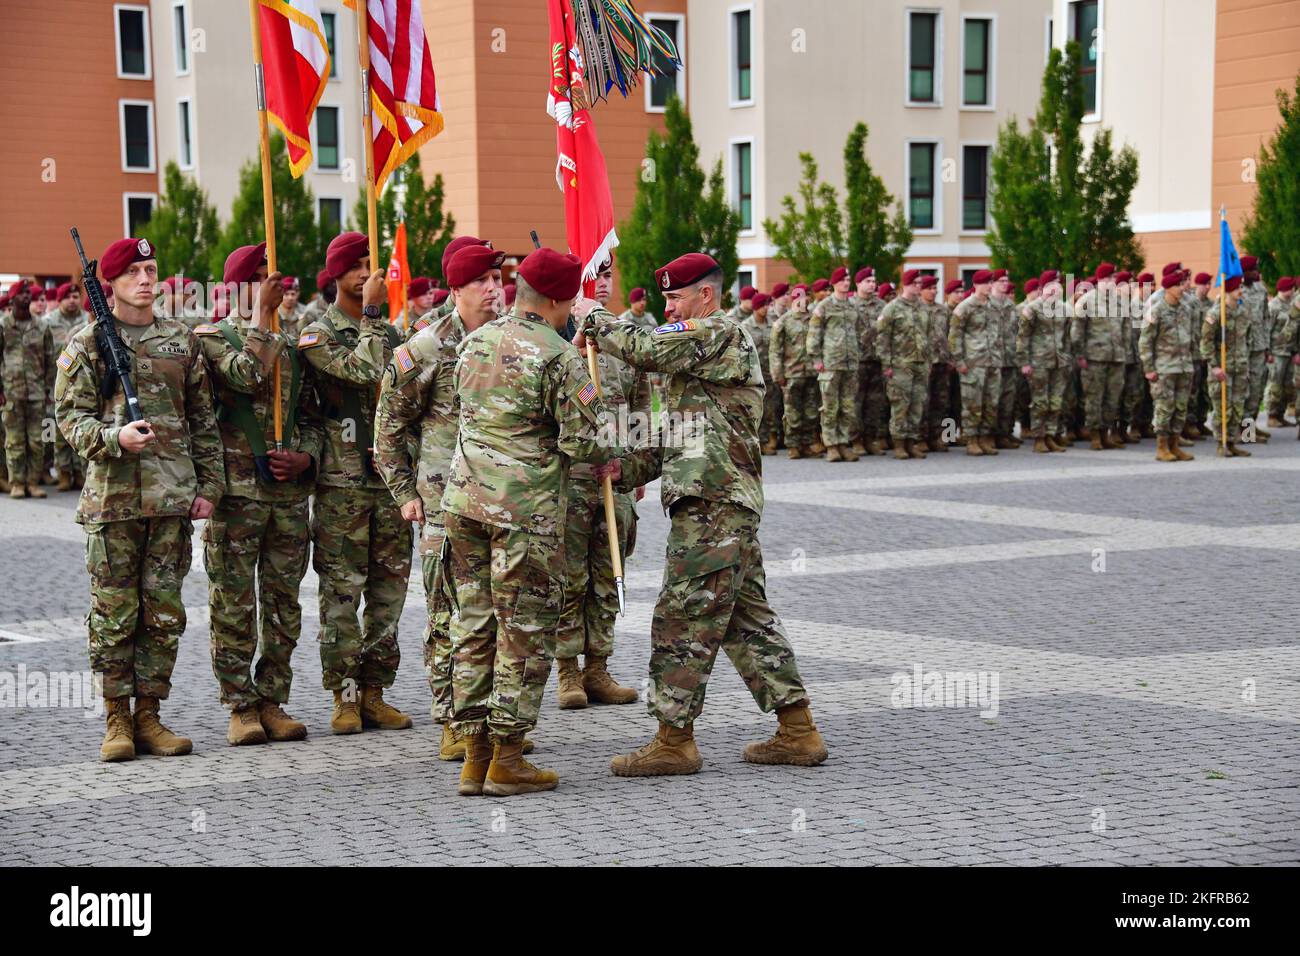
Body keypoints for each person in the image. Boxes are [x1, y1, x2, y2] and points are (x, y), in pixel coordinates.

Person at [578, 252, 827, 777]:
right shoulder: (695, 358)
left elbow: (642, 347)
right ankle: (798, 730)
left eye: (676, 297)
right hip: (716, 501)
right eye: (666, 298)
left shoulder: (719, 335)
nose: (669, 308)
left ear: (706, 297)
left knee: (682, 620)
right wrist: (624, 468)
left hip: (715, 507)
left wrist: (594, 318)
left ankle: (674, 741)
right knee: (746, 619)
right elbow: (679, 439)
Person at [441, 247, 616, 797]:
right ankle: (509, 757)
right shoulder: (558, 356)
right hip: (525, 512)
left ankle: (473, 754)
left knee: (472, 624)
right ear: (561, 301)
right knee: (523, 631)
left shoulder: (474, 342)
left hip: (464, 503)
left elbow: (463, 408)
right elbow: (582, 441)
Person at [54, 237, 224, 761]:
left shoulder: (180, 341)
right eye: (134, 272)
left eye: (151, 270)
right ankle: (117, 721)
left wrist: (210, 487)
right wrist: (114, 438)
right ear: (113, 283)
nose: (146, 280)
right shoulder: (86, 345)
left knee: (164, 613)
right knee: (114, 614)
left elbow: (203, 419)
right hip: (115, 502)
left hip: (172, 500)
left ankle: (150, 715)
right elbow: (68, 417)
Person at [375, 241, 513, 761]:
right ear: (456, 290)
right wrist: (405, 493)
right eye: (482, 281)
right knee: (446, 612)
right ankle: (452, 720)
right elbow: (387, 427)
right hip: (445, 501)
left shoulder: (508, 340)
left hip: (501, 501)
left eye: (498, 280)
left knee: (496, 613)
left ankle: (493, 719)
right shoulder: (428, 346)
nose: (494, 290)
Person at [197, 243, 323, 745]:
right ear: (240, 287)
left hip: (286, 494)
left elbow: (313, 416)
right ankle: (240, 705)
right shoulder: (211, 339)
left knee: (284, 603)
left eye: (277, 282)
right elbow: (245, 377)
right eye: (263, 281)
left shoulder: (292, 345)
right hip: (235, 495)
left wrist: (306, 457)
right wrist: (262, 318)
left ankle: (273, 698)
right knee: (232, 602)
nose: (278, 288)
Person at [298, 232, 413, 734]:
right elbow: (364, 371)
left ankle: (374, 692)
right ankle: (344, 695)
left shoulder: (392, 334)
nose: (368, 273)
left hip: (388, 481)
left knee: (389, 593)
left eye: (371, 264)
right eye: (357, 265)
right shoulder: (315, 334)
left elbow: (405, 392)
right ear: (336, 274)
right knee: (342, 595)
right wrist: (371, 315)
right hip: (342, 484)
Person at [1, 282, 55, 497]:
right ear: (12, 299)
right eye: (21, 294)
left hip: (37, 393)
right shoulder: (3, 326)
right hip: (10, 392)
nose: (26, 296)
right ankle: (16, 483)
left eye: (27, 294)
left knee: (36, 440)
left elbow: (51, 360)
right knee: (14, 440)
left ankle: (33, 482)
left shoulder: (42, 327)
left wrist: (50, 390)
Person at [1139, 270, 1196, 462]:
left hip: (1184, 366)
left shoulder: (1186, 309)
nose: (1182, 289)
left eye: (1182, 285)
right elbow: (1145, 341)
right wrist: (1149, 368)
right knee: (1164, 407)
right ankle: (1162, 446)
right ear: (1168, 288)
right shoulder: (1155, 310)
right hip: (1163, 368)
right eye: (1178, 285)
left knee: (1181, 408)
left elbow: (1192, 336)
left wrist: (1193, 359)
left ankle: (1175, 444)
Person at [875, 270, 932, 459]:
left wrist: (929, 360)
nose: (919, 286)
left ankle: (911, 441)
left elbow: (928, 336)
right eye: (915, 283)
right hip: (900, 364)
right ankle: (899, 443)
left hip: (920, 363)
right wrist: (886, 364)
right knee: (901, 405)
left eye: (920, 283)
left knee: (917, 404)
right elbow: (882, 338)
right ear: (906, 285)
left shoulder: (923, 308)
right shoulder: (892, 308)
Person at [1072, 262, 1128, 450]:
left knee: (1113, 398)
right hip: (1094, 357)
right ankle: (1095, 435)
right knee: (1094, 398)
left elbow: (1126, 329)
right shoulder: (1087, 301)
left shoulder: (1120, 302)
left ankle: (1106, 433)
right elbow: (1077, 330)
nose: (1112, 282)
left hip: (1116, 357)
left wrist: (1124, 351)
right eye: (1109, 278)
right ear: (1100, 280)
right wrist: (1079, 355)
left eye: (1114, 278)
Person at [807, 266, 861, 461]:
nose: (846, 283)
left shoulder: (853, 305)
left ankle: (843, 443)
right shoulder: (824, 306)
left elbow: (859, 332)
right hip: (830, 363)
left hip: (850, 363)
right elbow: (814, 334)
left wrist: (858, 354)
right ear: (835, 283)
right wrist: (816, 358)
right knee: (830, 407)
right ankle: (831, 445)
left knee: (847, 406)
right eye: (843, 280)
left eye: (848, 280)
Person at [1016, 271, 1071, 453]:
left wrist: (1067, 357)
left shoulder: (1064, 308)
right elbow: (1023, 337)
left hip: (1059, 361)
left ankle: (1050, 435)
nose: (1058, 286)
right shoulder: (1032, 308)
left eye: (1060, 283)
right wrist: (1024, 361)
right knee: (1040, 402)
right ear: (1044, 287)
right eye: (1054, 283)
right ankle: (1039, 438)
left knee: (1056, 401)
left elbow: (1068, 336)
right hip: (1038, 362)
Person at [948, 271, 1002, 456]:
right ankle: (971, 439)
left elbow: (998, 333)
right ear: (977, 284)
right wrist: (959, 361)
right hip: (973, 363)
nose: (990, 286)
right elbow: (954, 336)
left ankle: (985, 438)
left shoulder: (994, 306)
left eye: (991, 283)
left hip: (993, 361)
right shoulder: (965, 307)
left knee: (991, 402)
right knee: (973, 403)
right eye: (987, 283)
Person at [1203, 275, 1252, 456]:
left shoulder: (1243, 312)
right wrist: (1214, 367)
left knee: (1237, 406)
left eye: (1240, 287)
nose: (1240, 291)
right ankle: (1220, 443)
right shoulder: (1216, 314)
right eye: (1236, 288)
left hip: (1240, 367)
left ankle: (1232, 441)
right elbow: (1206, 343)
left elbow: (1248, 338)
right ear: (1227, 290)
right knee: (1223, 407)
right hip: (1222, 369)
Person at [770, 284, 818, 458]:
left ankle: (806, 443)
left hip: (812, 372)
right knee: (792, 411)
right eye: (799, 296)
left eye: (806, 296)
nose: (803, 300)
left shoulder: (814, 319)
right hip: (791, 373)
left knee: (811, 411)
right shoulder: (783, 321)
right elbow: (775, 350)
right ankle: (793, 445)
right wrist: (778, 373)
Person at [1239, 256, 1272, 441]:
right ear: (1245, 271)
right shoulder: (1235, 290)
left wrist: (1267, 344)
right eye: (1254, 269)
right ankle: (1242, 430)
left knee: (1257, 388)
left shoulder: (1261, 289)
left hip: (1259, 346)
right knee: (1244, 389)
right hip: (1241, 348)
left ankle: (1249, 427)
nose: (1257, 273)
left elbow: (1266, 318)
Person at [743, 292, 780, 455]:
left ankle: (770, 438)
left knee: (770, 407)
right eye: (763, 305)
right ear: (756, 307)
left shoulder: (774, 324)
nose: (766, 308)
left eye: (768, 305)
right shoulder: (746, 326)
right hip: (754, 373)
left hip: (770, 371)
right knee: (755, 407)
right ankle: (757, 442)